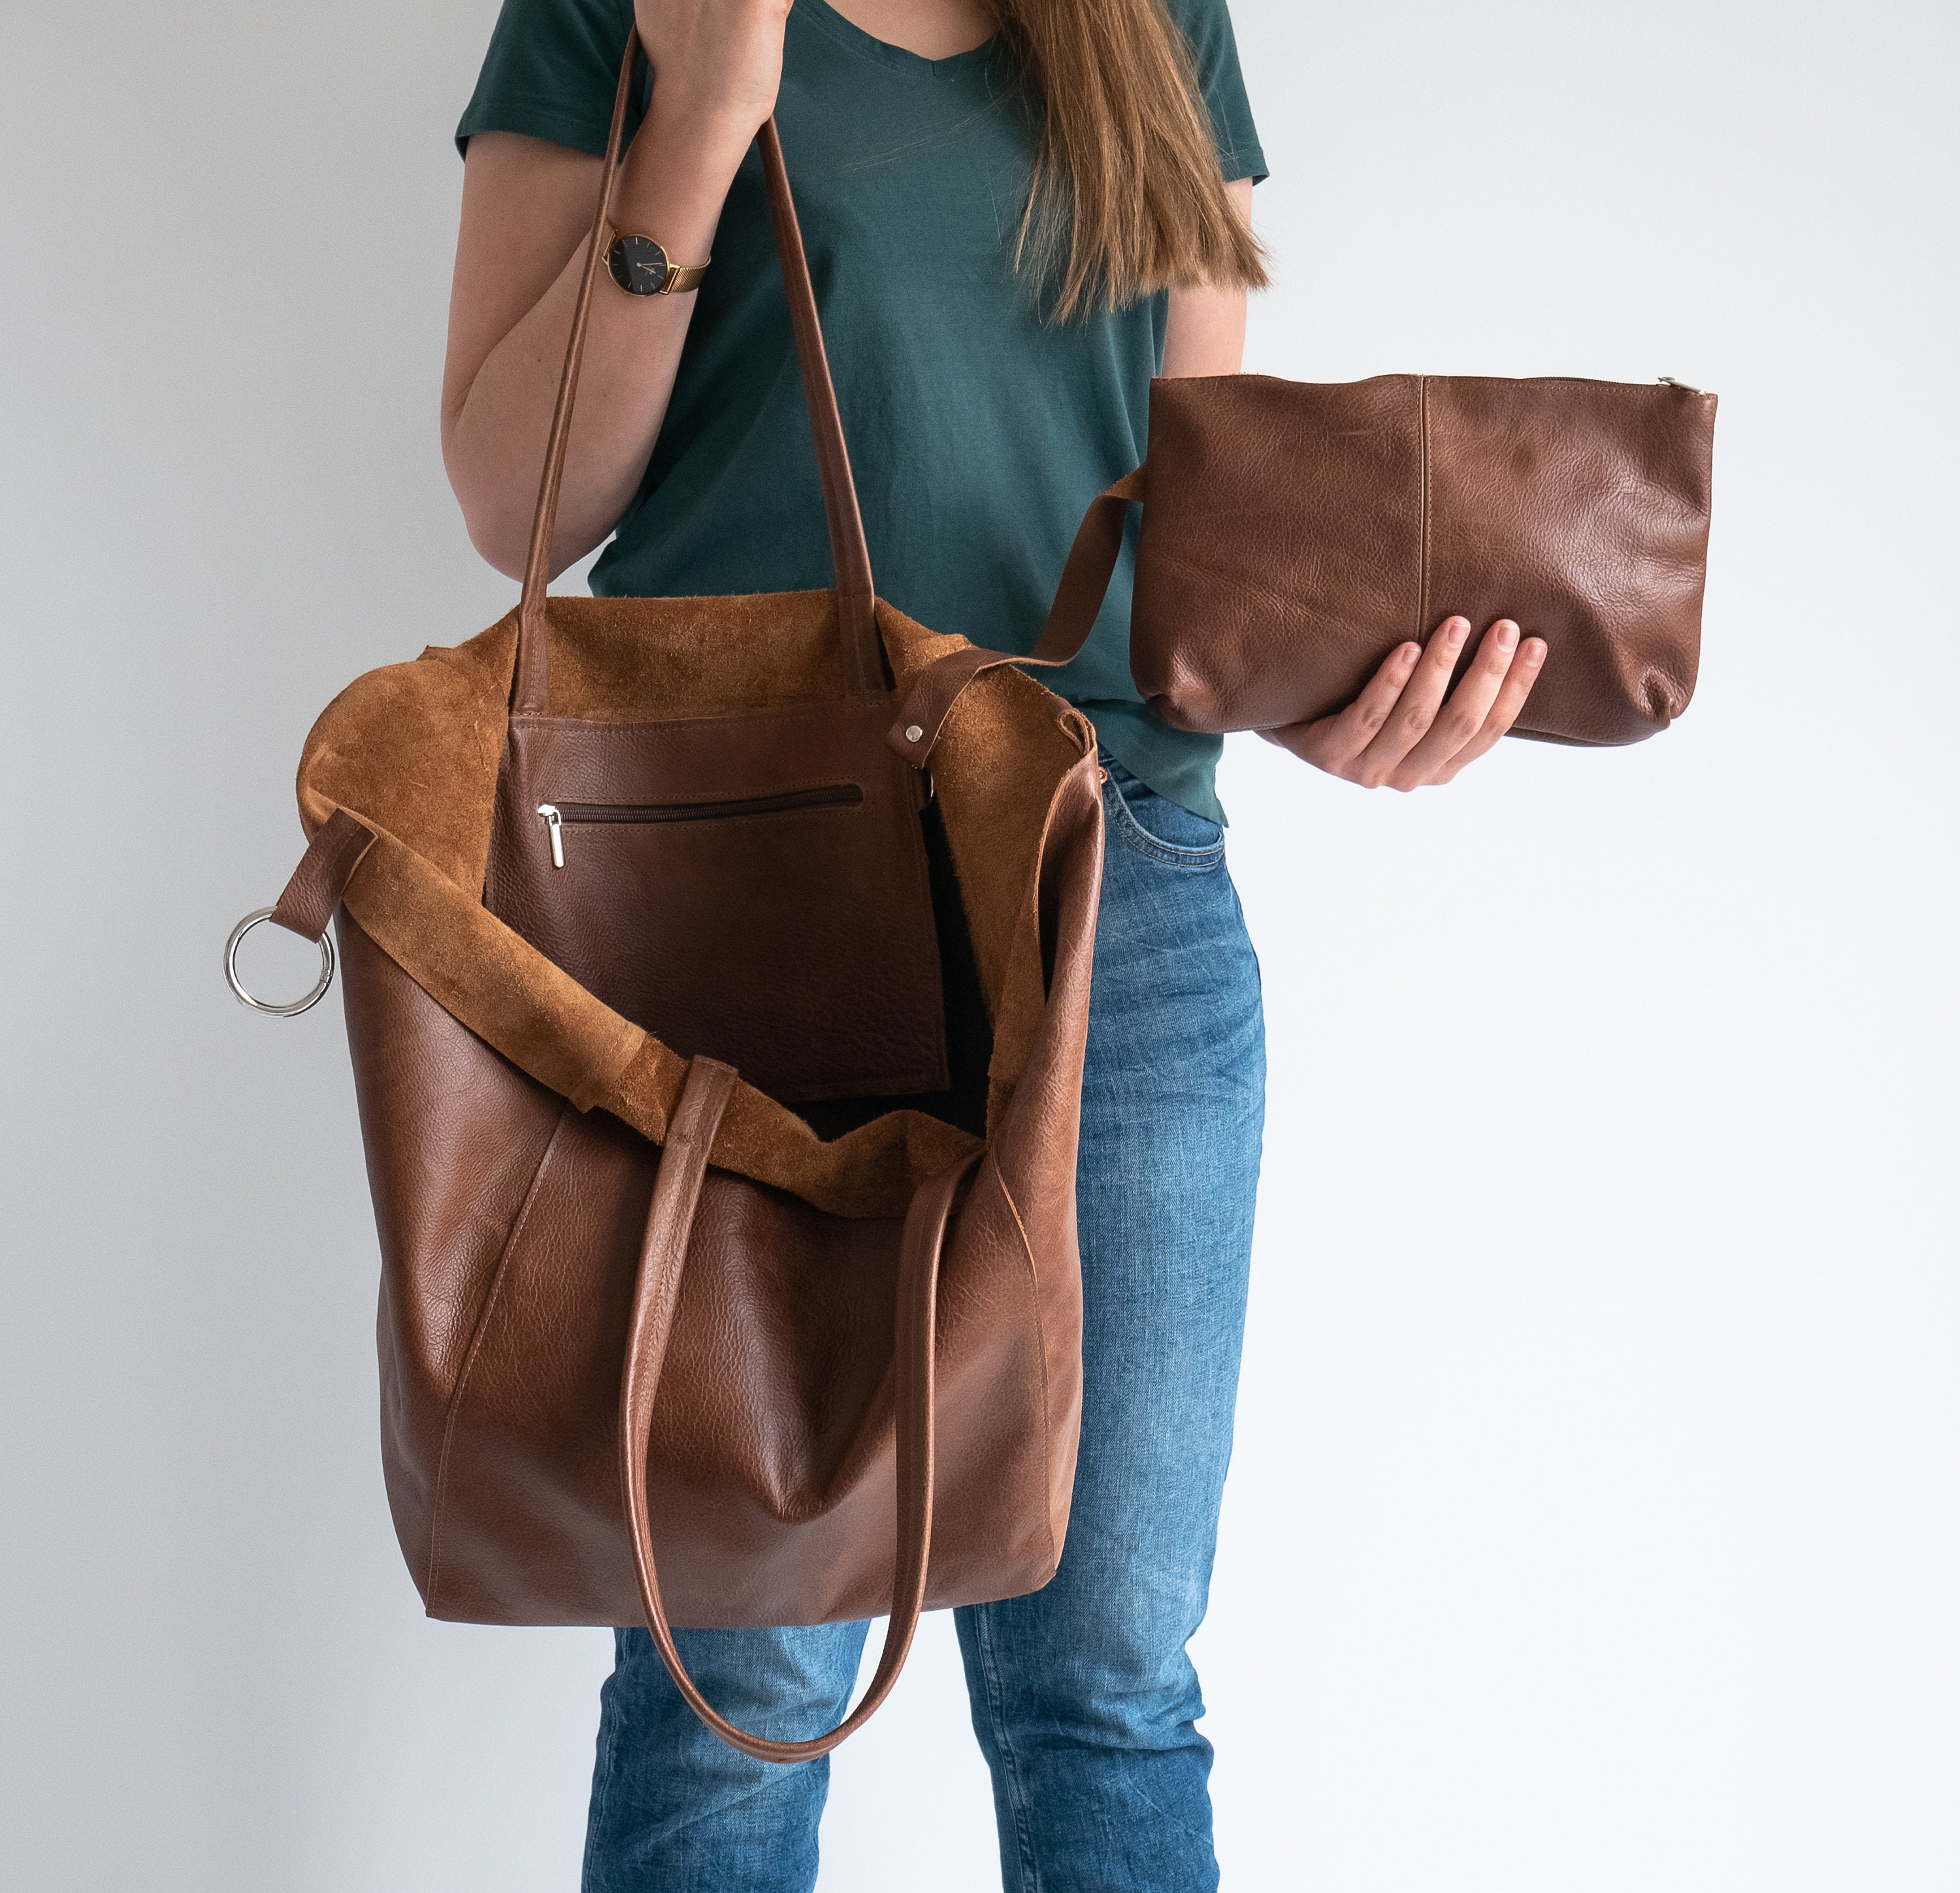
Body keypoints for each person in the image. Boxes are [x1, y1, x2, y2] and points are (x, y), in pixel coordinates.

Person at [442, 2, 1543, 1886]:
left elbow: (1180, 535)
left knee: (1110, 1679)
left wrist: (1334, 690)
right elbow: (510, 495)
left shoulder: (1151, 19)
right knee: (739, 1672)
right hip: (745, 906)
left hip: (1118, 891)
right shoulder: (628, 11)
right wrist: (702, 118)